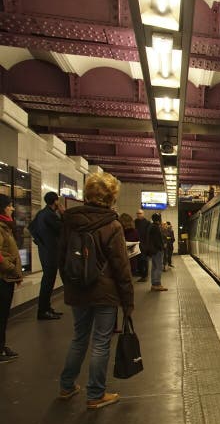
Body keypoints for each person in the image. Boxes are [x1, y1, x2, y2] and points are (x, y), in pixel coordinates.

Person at [58, 173, 134, 408]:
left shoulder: (69, 221)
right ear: (111, 197)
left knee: (79, 338)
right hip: (104, 292)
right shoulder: (112, 225)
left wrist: (72, 283)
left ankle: (67, 386)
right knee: (101, 342)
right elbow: (121, 267)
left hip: (77, 290)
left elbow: (61, 258)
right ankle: (95, 394)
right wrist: (128, 302)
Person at [29, 191, 63, 320]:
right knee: (48, 281)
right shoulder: (50, 215)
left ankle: (46, 308)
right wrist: (62, 214)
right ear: (55, 201)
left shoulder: (41, 213)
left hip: (45, 251)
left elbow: (31, 227)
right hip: (51, 252)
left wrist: (39, 241)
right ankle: (43, 311)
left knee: (48, 280)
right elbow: (62, 228)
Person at [0, 194, 23, 362]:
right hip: (3, 278)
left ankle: (1, 346)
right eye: (9, 205)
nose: (12, 208)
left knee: (3, 315)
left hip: (7, 277)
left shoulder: (5, 226)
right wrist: (12, 269)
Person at [144, 213, 167, 291]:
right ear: (158, 219)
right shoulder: (156, 227)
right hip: (157, 250)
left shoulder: (150, 226)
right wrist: (162, 247)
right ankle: (157, 284)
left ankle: (154, 284)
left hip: (153, 250)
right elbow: (157, 240)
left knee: (154, 267)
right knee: (158, 267)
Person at [133, 209, 150, 281]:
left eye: (140, 213)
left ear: (143, 214)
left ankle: (145, 275)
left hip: (144, 245)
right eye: (137, 213)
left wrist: (147, 245)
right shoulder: (134, 222)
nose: (138, 215)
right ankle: (141, 273)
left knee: (144, 260)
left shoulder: (147, 223)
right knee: (138, 260)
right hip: (136, 244)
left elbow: (148, 235)